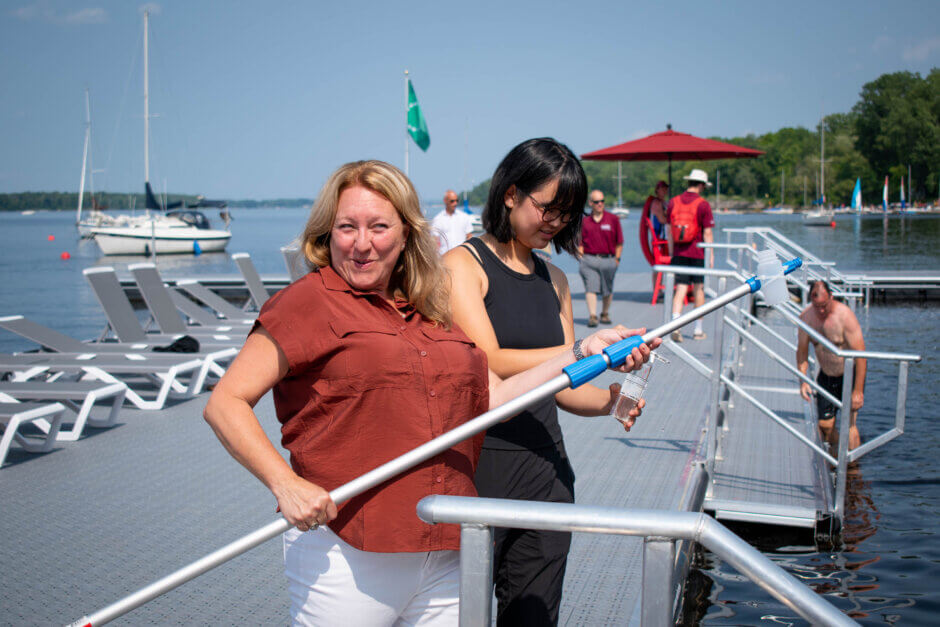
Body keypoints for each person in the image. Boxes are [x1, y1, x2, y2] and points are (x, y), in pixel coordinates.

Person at [203, 159, 653, 626]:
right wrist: (285, 483)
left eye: (379, 226)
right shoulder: (308, 302)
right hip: (349, 548)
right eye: (346, 227)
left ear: (405, 233)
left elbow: (494, 399)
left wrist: (583, 350)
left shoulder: (429, 308)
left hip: (444, 547)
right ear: (326, 233)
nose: (362, 244)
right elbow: (226, 402)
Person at [444, 138, 661, 626]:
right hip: (476, 474)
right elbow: (489, 361)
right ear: (510, 194)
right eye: (548, 209)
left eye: (567, 214)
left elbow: (562, 386)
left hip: (547, 475)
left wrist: (609, 400)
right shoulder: (463, 266)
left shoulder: (556, 279)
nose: (556, 222)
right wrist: (586, 350)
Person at [796, 280, 866, 450]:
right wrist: (803, 381)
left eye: (824, 305)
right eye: (816, 305)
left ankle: (853, 469)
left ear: (831, 297)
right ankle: (838, 456)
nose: (821, 310)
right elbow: (802, 352)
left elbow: (861, 356)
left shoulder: (844, 316)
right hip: (826, 375)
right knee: (825, 426)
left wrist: (858, 391)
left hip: (848, 375)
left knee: (849, 424)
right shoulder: (806, 318)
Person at [668, 168, 715, 342]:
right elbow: (708, 233)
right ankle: (698, 329)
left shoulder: (673, 202)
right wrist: (710, 254)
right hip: (697, 252)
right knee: (698, 289)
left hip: (679, 252)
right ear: (701, 185)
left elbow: (668, 230)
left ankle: (675, 325)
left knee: (680, 288)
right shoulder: (703, 204)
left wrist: (672, 252)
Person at [577, 190, 623, 327]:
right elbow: (579, 242)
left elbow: (619, 241)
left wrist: (617, 259)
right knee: (590, 288)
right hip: (589, 259)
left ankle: (604, 313)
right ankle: (592, 316)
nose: (600, 204)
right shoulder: (585, 221)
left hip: (608, 259)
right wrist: (581, 257)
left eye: (602, 201)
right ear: (591, 203)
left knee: (607, 289)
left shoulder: (613, 219)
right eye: (597, 202)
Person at [431, 189, 473, 254]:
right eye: (452, 201)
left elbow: (469, 237)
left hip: (462, 256)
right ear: (445, 201)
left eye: (457, 201)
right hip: (444, 257)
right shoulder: (438, 219)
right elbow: (435, 241)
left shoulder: (464, 217)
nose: (455, 203)